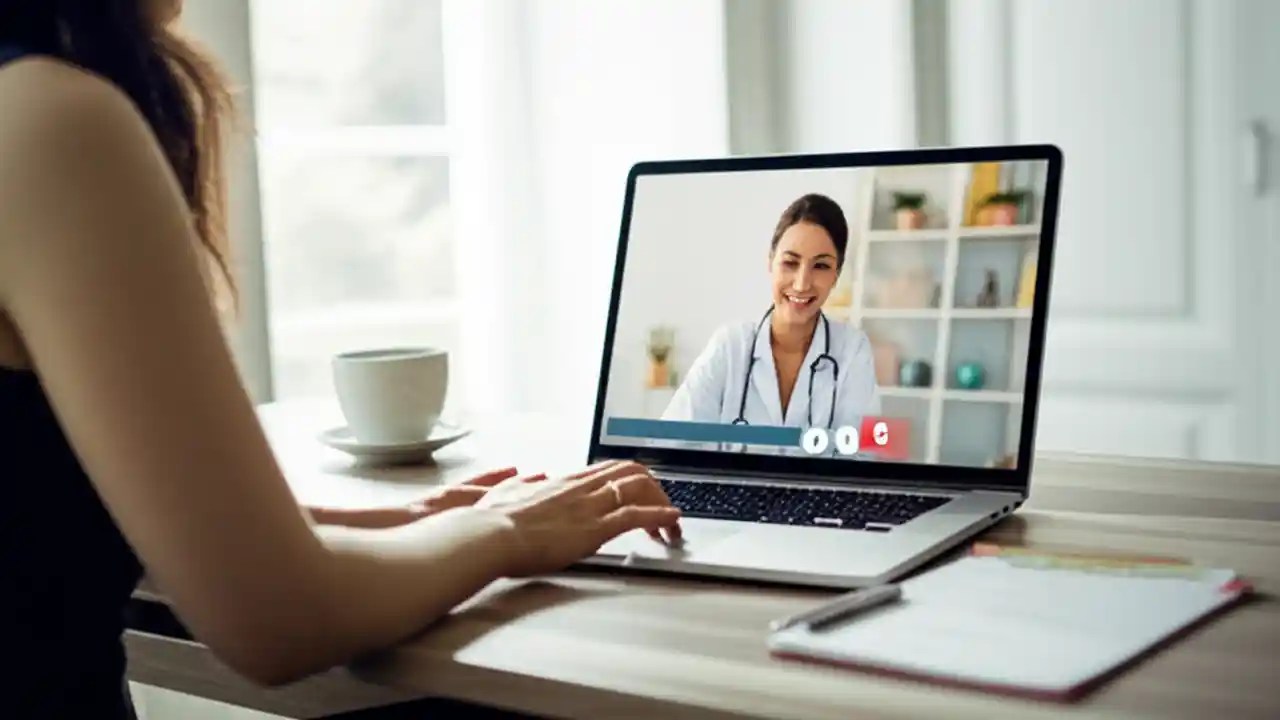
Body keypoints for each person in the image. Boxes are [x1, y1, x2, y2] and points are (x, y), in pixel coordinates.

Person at [0, 1, 681, 716]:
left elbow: (48, 515)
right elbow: (276, 615)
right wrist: (504, 532)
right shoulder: (47, 120)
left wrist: (407, 522)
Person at [662, 193, 880, 434]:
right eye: (790, 263)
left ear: (836, 275)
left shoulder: (852, 350)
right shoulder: (730, 346)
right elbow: (672, 440)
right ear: (770, 263)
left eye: (821, 266)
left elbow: (863, 456)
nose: (801, 284)